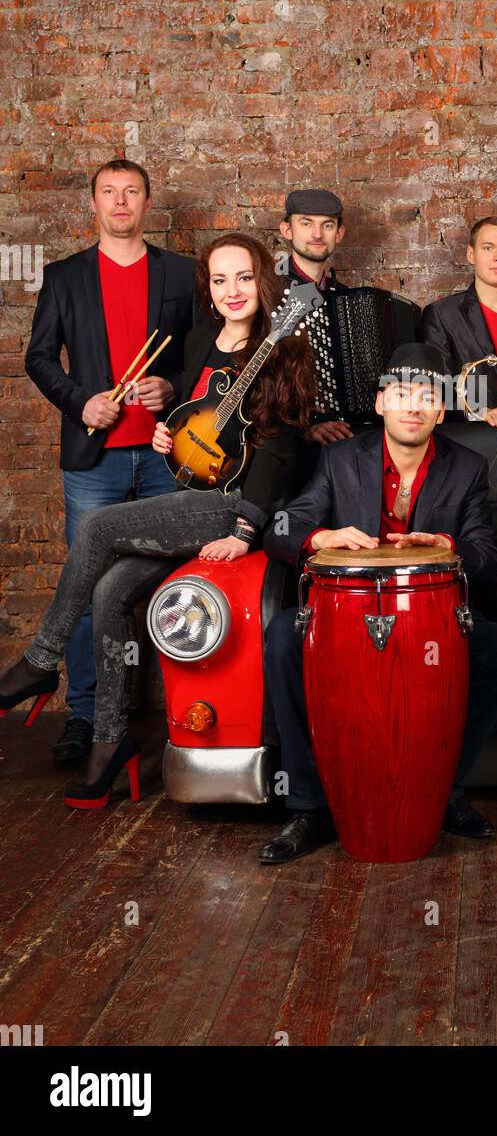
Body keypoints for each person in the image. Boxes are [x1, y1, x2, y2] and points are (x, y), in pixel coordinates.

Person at [0, 233, 316, 808]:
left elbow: (278, 447)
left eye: (244, 277)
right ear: (209, 290)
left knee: (96, 529)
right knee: (112, 587)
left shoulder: (284, 347)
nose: (232, 290)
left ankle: (40, 661)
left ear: (264, 280)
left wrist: (245, 529)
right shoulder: (199, 341)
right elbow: (193, 418)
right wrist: (167, 437)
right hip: (183, 492)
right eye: (219, 281)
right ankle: (109, 741)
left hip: (229, 505)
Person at [258, 342, 497, 864]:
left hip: (431, 625)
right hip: (344, 618)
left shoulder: (469, 467)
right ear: (381, 401)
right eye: (401, 392)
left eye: (427, 395)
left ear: (442, 407)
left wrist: (446, 546)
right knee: (282, 638)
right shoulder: (339, 460)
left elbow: (488, 556)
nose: (413, 405)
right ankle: (310, 806)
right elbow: (283, 525)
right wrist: (318, 538)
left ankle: (441, 789)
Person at [23, 158, 196, 764]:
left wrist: (170, 388)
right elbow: (39, 358)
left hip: (166, 456)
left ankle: (189, 714)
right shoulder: (64, 275)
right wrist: (80, 401)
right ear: (93, 204)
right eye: (108, 193)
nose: (120, 202)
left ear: (148, 203)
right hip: (93, 459)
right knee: (87, 586)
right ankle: (87, 718)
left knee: (173, 584)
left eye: (132, 192)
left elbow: (203, 357)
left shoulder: (182, 273)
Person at [421, 216, 497, 429]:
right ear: (471, 254)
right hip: (479, 437)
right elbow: (437, 389)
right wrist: (480, 413)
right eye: (488, 248)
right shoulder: (442, 314)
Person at [278, 187, 352, 447]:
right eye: (306, 223)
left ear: (339, 234)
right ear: (287, 230)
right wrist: (305, 428)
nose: (317, 234)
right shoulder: (267, 291)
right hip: (285, 440)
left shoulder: (345, 297)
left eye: (327, 225)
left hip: (343, 435)